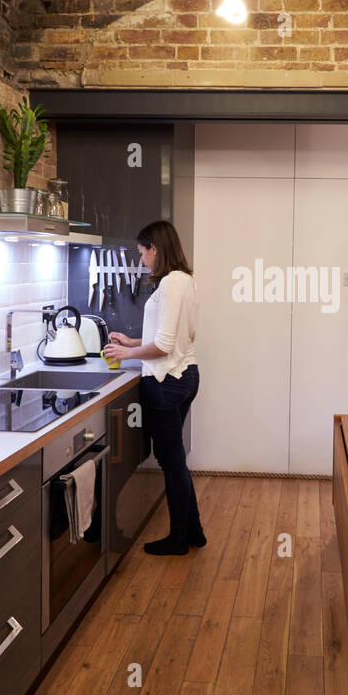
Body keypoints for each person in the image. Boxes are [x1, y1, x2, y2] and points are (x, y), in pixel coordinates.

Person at [102, 220, 202, 555]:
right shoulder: (185, 280)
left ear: (155, 248)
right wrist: (131, 341)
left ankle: (178, 539)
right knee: (176, 460)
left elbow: (163, 345)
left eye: (143, 252)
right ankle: (194, 531)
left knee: (171, 461)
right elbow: (173, 337)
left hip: (165, 381)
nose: (141, 259)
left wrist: (127, 353)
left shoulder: (172, 283)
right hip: (185, 375)